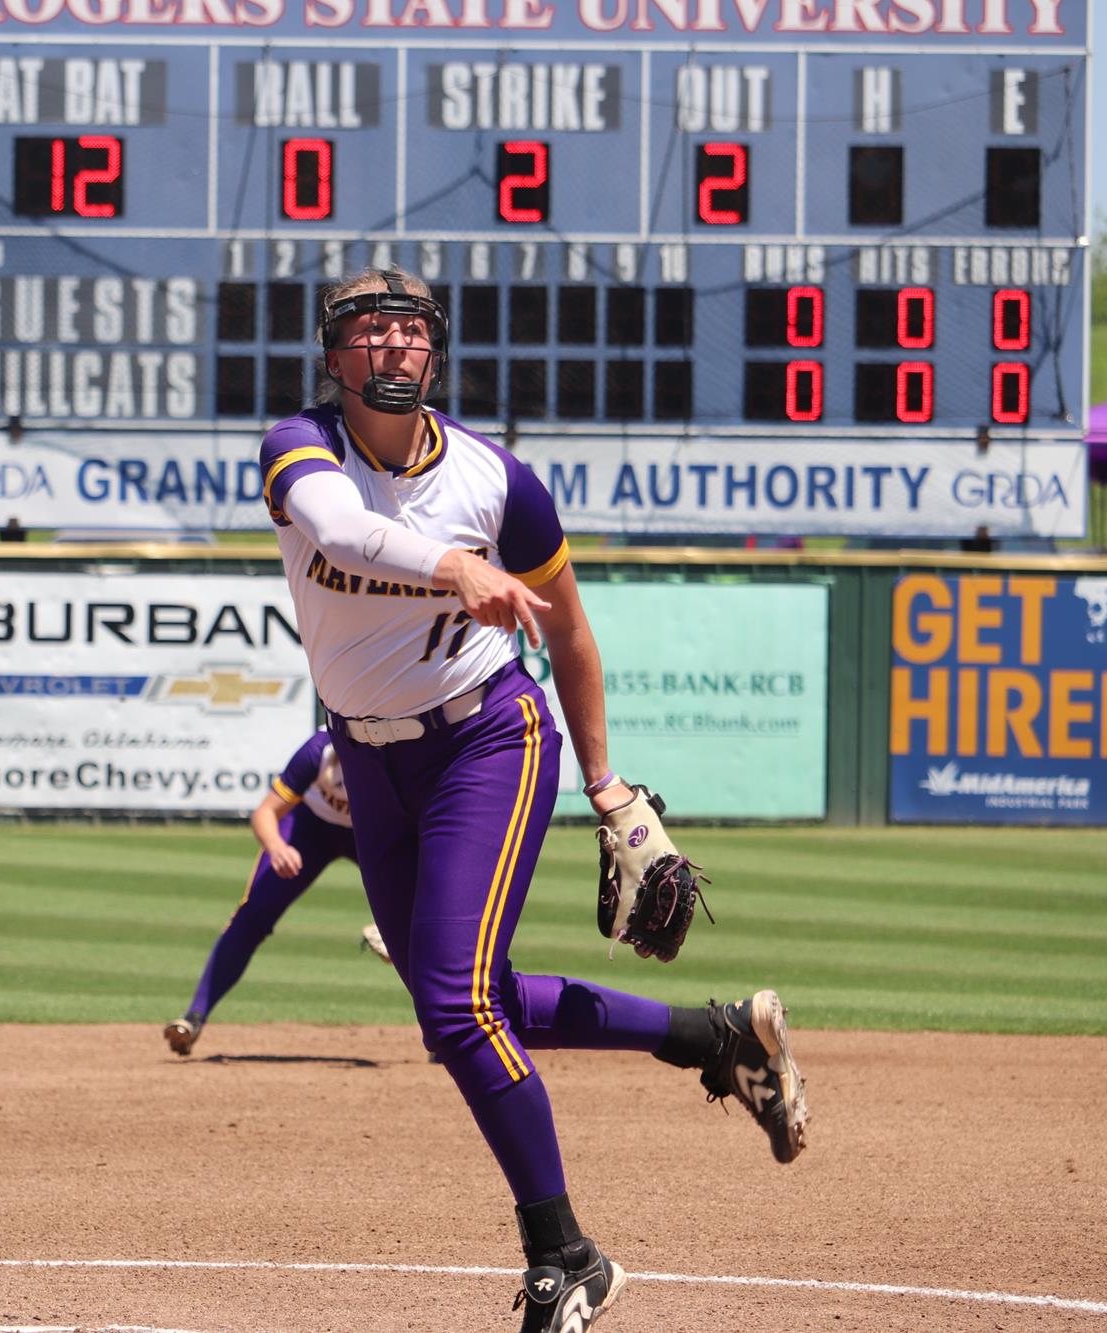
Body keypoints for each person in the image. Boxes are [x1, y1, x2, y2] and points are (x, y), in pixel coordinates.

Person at [255, 267, 809, 1332]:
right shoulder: (299, 446)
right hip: (366, 760)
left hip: (485, 742)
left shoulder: (497, 483)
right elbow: (335, 532)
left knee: (459, 1011)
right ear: (333, 359)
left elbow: (566, 632)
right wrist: (452, 569)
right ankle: (714, 1035)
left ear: (435, 353)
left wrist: (605, 791)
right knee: (460, 1007)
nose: (394, 346)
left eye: (412, 330)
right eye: (368, 330)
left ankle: (566, 1256)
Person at [165, 727, 392, 1057]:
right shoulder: (318, 750)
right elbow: (265, 813)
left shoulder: (394, 749)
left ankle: (446, 1028)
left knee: (423, 923)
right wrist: (276, 848)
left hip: (373, 833)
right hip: (309, 829)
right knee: (252, 915)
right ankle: (194, 1017)